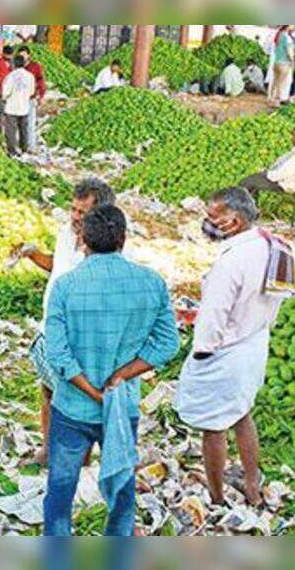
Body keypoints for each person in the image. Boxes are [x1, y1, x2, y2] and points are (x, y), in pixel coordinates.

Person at [43, 205, 179, 536]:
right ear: (123, 238)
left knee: (61, 488)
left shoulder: (65, 285)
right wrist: (123, 375)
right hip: (121, 403)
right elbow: (167, 344)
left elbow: (56, 353)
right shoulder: (150, 282)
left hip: (73, 407)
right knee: (122, 486)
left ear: (83, 240)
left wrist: (91, 390)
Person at [175, 187, 291, 507]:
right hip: (255, 343)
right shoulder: (275, 247)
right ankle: (252, 484)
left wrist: (202, 352)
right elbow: (279, 297)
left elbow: (214, 315)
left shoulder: (231, 262)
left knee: (213, 426)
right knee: (241, 413)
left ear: (235, 221)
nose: (208, 223)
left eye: (213, 217)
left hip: (225, 351)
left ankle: (216, 497)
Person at [11, 179, 116, 466]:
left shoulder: (107, 249)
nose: (75, 217)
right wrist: (33, 255)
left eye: (83, 212)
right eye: (74, 209)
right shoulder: (67, 233)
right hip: (51, 330)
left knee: (76, 403)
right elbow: (58, 265)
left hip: (78, 339)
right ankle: (48, 449)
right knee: (48, 390)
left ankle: (78, 461)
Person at [239, 126, 295, 197]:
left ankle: (242, 205)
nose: (292, 138)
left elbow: (283, 173)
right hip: (282, 179)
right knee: (253, 179)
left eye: (293, 135)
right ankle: (250, 204)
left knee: (246, 182)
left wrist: (266, 173)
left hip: (284, 184)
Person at [1, 55, 35, 156]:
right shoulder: (30, 76)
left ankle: (12, 151)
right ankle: (24, 149)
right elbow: (31, 92)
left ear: (13, 64)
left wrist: (5, 98)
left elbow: (5, 92)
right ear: (24, 64)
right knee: (23, 129)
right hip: (24, 107)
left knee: (11, 130)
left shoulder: (10, 76)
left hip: (12, 107)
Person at [19, 45, 45, 150]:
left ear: (29, 55)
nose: (23, 58)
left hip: (31, 97)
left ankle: (30, 146)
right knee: (20, 122)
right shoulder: (17, 67)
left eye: (24, 55)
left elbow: (41, 81)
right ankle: (22, 145)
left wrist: (41, 96)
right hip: (19, 98)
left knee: (30, 122)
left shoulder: (35, 66)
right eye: (20, 56)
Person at [268, 25, 294, 106]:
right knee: (281, 83)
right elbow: (289, 52)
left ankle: (271, 98)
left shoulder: (278, 35)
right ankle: (277, 101)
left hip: (276, 62)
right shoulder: (287, 37)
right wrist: (292, 61)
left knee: (275, 82)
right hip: (284, 63)